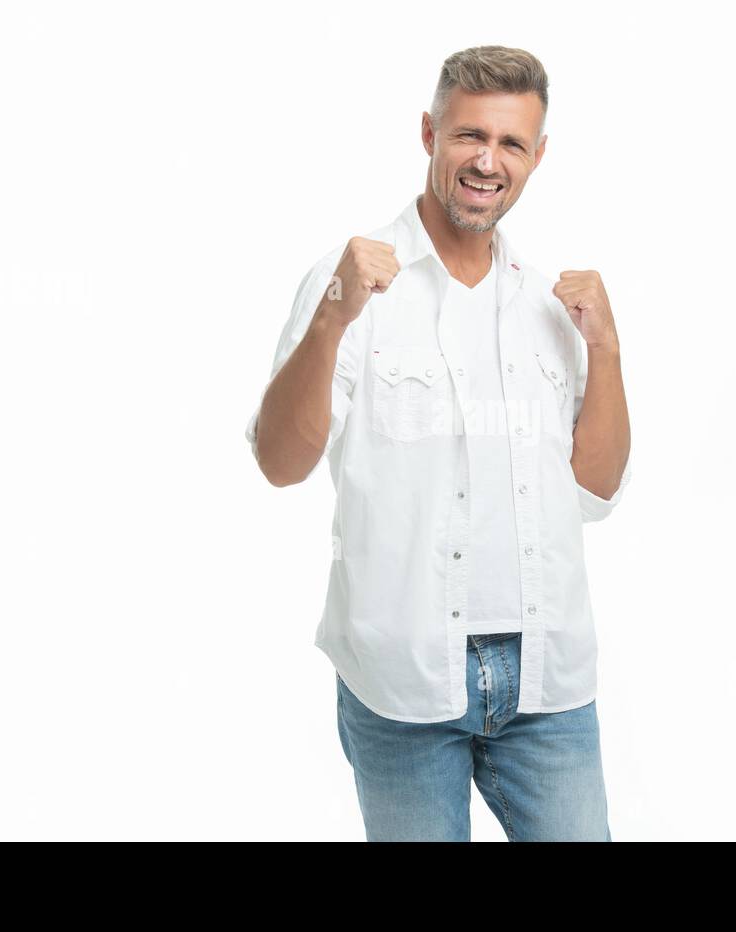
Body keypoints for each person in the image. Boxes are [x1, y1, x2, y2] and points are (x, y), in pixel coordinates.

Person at [245, 45, 632, 841]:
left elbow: (595, 491)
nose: (487, 161)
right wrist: (332, 317)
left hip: (549, 686)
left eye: (511, 143)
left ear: (537, 156)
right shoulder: (349, 283)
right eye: (469, 136)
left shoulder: (551, 303)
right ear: (429, 132)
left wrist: (610, 354)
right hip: (404, 684)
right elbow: (279, 464)